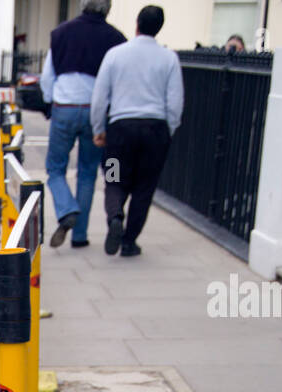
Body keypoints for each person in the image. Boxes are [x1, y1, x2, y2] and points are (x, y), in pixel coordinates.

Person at [90, 4, 183, 257]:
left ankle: (115, 216)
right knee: (144, 187)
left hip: (120, 131)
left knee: (113, 178)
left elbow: (100, 97)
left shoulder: (115, 54)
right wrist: (168, 131)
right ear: (159, 28)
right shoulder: (169, 58)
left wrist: (99, 128)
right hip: (155, 131)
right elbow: (175, 102)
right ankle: (129, 241)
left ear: (136, 25)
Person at [40, 0, 127, 249]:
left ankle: (67, 209)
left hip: (64, 108)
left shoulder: (61, 33)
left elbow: (48, 77)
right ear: (107, 8)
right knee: (88, 173)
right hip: (95, 112)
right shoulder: (116, 38)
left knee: (55, 168)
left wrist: (49, 102)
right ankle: (80, 236)